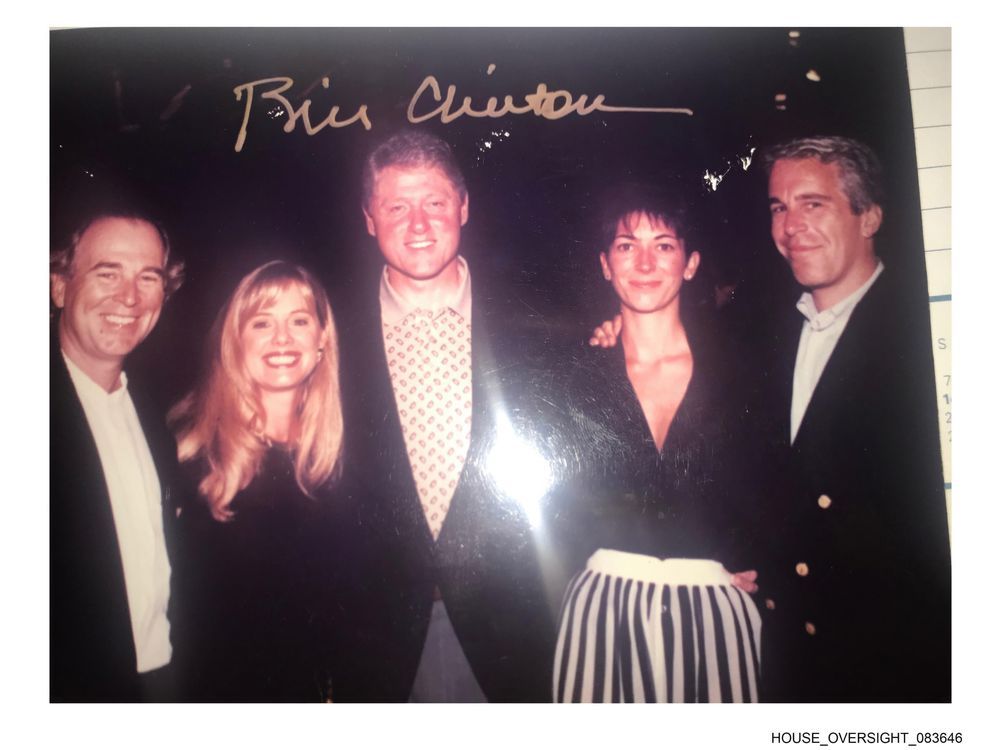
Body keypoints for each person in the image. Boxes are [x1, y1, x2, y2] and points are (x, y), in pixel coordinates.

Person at [337, 129, 556, 701]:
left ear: (463, 207)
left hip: (517, 633)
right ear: (368, 218)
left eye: (434, 202)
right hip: (377, 642)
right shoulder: (325, 333)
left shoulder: (541, 323)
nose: (418, 223)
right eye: (397, 206)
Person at [753, 136, 950, 701]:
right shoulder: (765, 334)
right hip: (794, 661)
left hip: (896, 670)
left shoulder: (931, 337)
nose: (791, 226)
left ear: (869, 217)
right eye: (778, 207)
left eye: (813, 204)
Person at [550, 183, 762, 703]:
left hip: (718, 613)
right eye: (627, 245)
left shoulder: (742, 374)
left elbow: (781, 479)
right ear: (605, 263)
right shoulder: (574, 377)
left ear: (690, 263)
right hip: (601, 615)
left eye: (663, 245)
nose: (645, 262)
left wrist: (767, 560)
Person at [168, 260, 354, 701]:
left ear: (322, 339)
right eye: (262, 323)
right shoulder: (190, 451)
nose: (283, 338)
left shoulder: (335, 458)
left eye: (299, 320)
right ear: (236, 341)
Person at [50, 207, 184, 701]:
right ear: (60, 286)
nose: (129, 297)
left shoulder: (156, 409)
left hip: (167, 681)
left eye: (148, 278)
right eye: (107, 273)